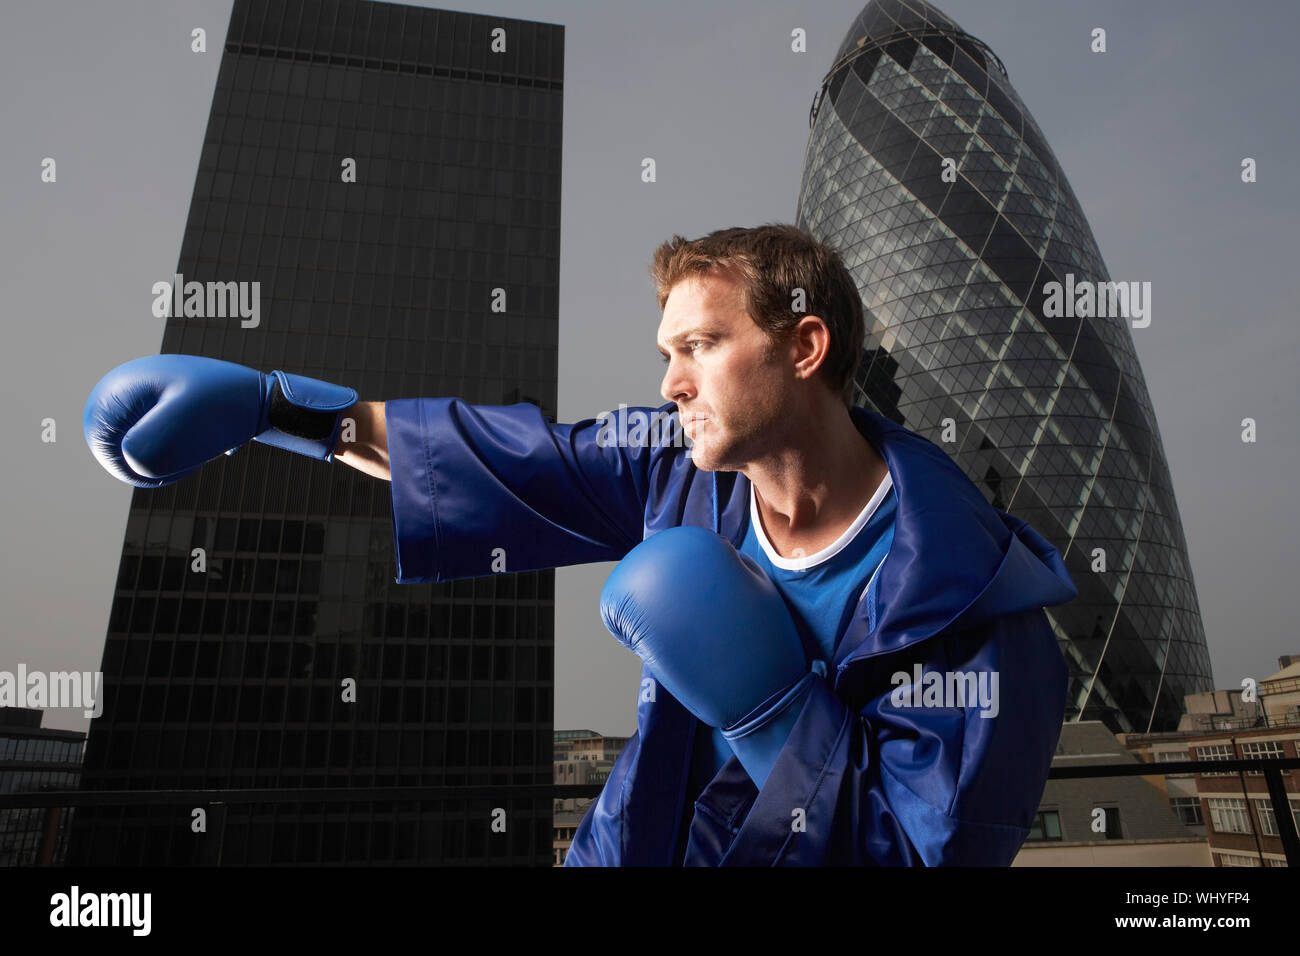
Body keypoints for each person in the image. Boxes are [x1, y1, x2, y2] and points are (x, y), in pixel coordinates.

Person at [83, 223, 1077, 866]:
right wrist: (279, 409)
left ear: (804, 348)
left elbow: (917, 851)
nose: (670, 385)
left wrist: (773, 708)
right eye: (665, 355)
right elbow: (510, 459)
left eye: (700, 347)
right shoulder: (676, 471)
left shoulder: (981, 606)